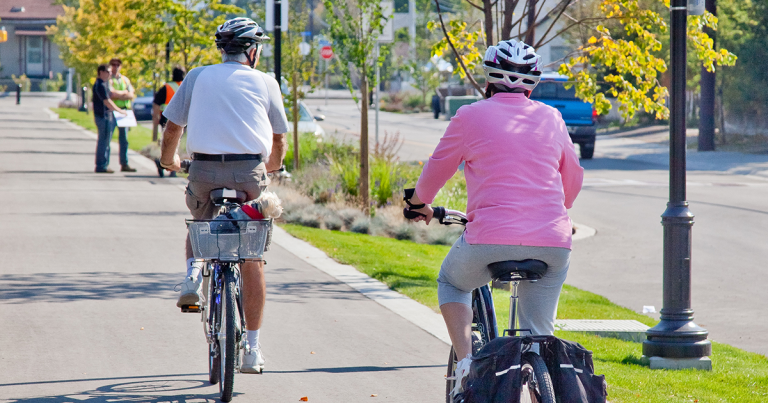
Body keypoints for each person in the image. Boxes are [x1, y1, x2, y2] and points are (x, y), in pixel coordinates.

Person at [403, 40, 583, 398]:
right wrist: (556, 209)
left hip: (489, 238)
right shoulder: (552, 118)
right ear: (533, 82)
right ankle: (540, 372)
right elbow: (573, 178)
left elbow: (437, 168)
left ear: (488, 78)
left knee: (452, 283)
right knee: (539, 336)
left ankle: (467, 366)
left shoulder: (470, 116)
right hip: (552, 242)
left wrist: (419, 203)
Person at [159, 17, 288, 374]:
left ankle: (192, 275)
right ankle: (252, 350)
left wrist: (169, 161)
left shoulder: (197, 76)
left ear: (223, 49)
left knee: (200, 221)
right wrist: (271, 167)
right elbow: (279, 139)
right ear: (252, 51)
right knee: (252, 256)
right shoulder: (266, 82)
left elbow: (173, 127)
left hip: (203, 170)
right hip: (249, 174)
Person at [152, 66, 186, 177]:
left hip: (166, 120)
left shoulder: (166, 87)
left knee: (167, 143)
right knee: (177, 144)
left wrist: (156, 117)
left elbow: (156, 103)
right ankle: (171, 168)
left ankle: (163, 163)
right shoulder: (186, 87)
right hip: (183, 120)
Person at [93, 64, 127, 173]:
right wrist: (120, 111)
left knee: (105, 141)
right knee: (104, 141)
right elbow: (107, 101)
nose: (110, 74)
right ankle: (101, 165)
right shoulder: (100, 85)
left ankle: (103, 164)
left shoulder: (105, 84)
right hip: (103, 116)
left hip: (106, 116)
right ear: (101, 72)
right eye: (108, 71)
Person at [108, 58, 137, 172]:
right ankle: (105, 164)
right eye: (113, 65)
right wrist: (124, 93)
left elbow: (131, 94)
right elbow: (111, 94)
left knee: (124, 139)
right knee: (108, 138)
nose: (115, 67)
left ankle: (124, 164)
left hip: (124, 112)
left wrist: (119, 95)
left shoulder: (125, 80)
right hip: (112, 111)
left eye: (117, 65)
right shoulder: (109, 79)